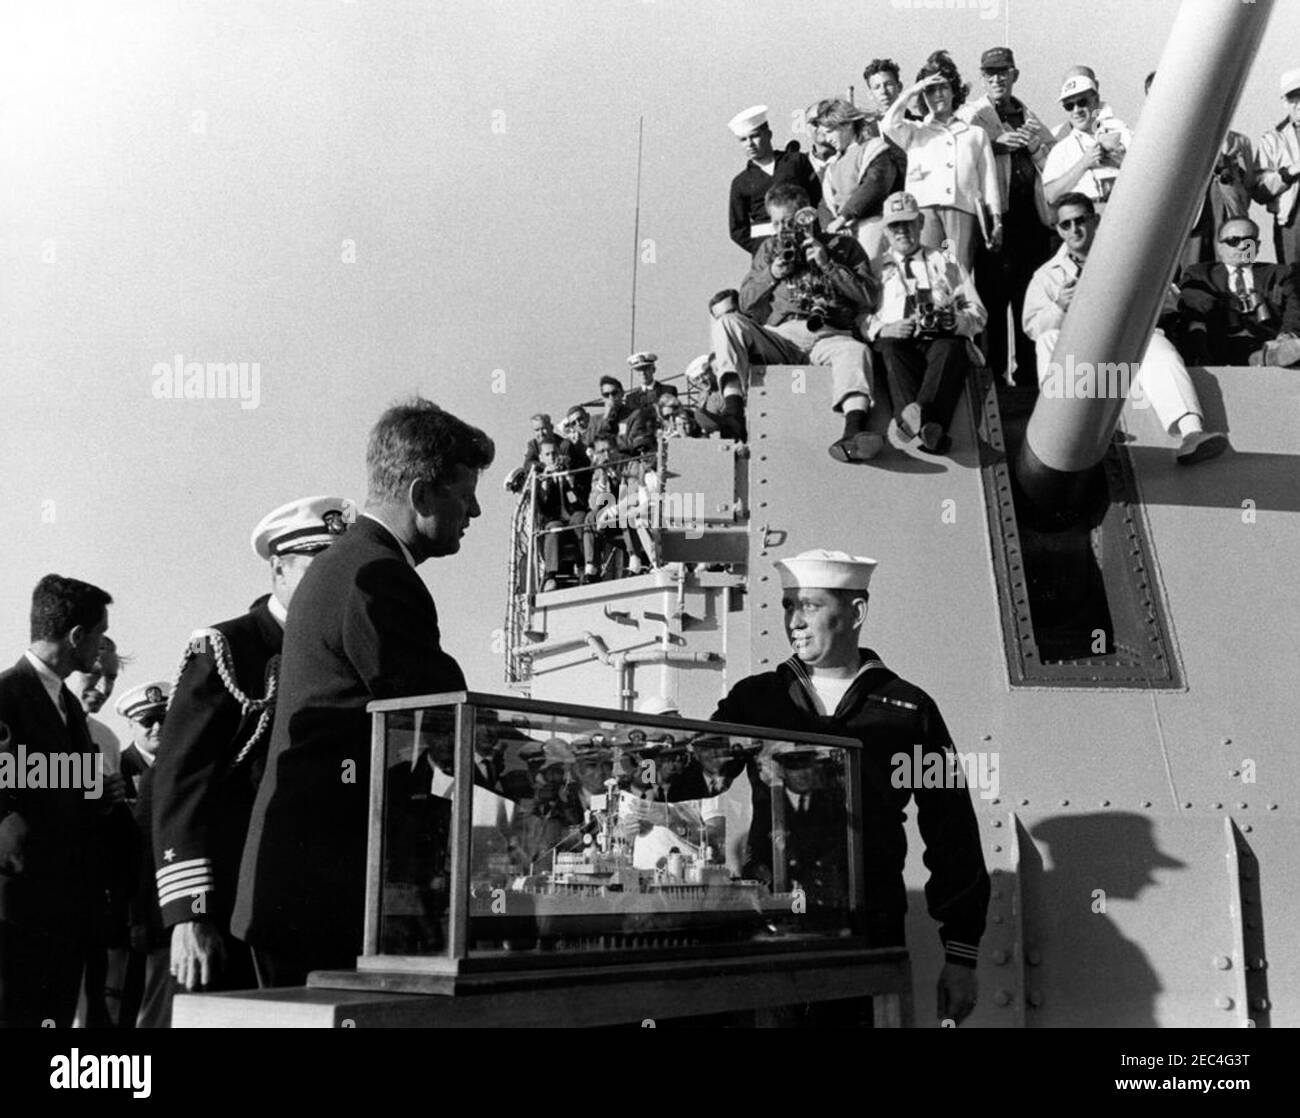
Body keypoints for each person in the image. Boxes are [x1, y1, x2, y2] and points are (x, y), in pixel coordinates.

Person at [233, 400, 493, 986]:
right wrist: (556, 773)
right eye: (465, 493)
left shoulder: (345, 564)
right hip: (327, 890)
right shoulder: (376, 574)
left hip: (303, 884)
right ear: (423, 494)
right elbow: (440, 713)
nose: (474, 510)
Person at [711, 549, 989, 1025]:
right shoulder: (756, 700)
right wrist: (635, 767)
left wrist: (961, 956)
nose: (794, 620)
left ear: (857, 612)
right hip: (772, 927)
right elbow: (701, 770)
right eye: (787, 605)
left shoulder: (906, 708)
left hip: (868, 933)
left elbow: (951, 828)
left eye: (810, 606)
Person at [154, 495, 353, 997]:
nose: (334, 582)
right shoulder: (228, 647)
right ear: (278, 569)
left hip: (322, 904)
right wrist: (188, 914)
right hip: (235, 903)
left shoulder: (351, 648)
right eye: (319, 564)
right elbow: (181, 783)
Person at [0, 574, 124, 1028]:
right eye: (99, 633)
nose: (102, 645)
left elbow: (61, 789)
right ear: (76, 636)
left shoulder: (68, 707)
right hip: (20, 913)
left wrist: (100, 796)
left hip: (67, 912)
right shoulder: (7, 695)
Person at [1023, 193, 1228, 465]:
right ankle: (1061, 428)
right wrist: (1059, 306)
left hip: (1125, 342)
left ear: (1095, 220)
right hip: (1079, 353)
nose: (1074, 230)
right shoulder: (1048, 275)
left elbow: (1171, 303)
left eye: (1080, 220)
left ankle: (1192, 433)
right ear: (1058, 230)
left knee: (1157, 347)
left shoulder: (1130, 257)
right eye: (1065, 224)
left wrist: (1135, 290)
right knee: (1048, 339)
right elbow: (1034, 327)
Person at [713, 182, 882, 464]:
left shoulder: (843, 246)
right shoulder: (768, 250)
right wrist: (772, 273)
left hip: (830, 335)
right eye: (776, 223)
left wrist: (829, 266)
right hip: (782, 335)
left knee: (856, 353)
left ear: (807, 216)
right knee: (727, 324)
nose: (782, 230)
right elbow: (745, 303)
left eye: (789, 222)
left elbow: (868, 295)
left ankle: (854, 431)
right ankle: (732, 412)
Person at [959, 47, 1056, 387]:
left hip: (1030, 222)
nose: (996, 79)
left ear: (1014, 75)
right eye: (989, 74)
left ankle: (1029, 378)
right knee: (992, 302)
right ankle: (994, 379)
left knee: (1029, 301)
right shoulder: (973, 114)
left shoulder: (1030, 116)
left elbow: (1053, 158)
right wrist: (994, 144)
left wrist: (1032, 146)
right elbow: (957, 147)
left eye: (1002, 73)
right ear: (982, 77)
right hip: (995, 220)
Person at [865, 191, 987, 456]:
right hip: (896, 342)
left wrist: (956, 321)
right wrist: (883, 328)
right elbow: (857, 315)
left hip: (937, 341)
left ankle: (910, 421)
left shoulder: (946, 262)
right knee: (889, 348)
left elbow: (977, 312)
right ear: (885, 231)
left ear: (920, 222)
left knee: (951, 348)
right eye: (895, 226)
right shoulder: (874, 269)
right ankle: (931, 427)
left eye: (907, 223)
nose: (902, 231)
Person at [882, 51, 1002, 273]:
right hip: (924, 215)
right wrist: (913, 90)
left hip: (960, 212)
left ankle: (958, 308)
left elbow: (988, 182)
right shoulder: (914, 131)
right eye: (931, 90)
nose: (938, 95)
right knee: (926, 271)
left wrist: (996, 220)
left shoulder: (975, 133)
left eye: (943, 87)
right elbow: (888, 125)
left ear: (953, 90)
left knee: (954, 271)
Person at [1142, 71, 1255, 268]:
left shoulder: (1239, 141)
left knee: (1238, 277)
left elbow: (1249, 188)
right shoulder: (1150, 143)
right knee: (1195, 280)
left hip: (1231, 219)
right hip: (1188, 223)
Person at [113, 681, 171, 1027]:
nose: (158, 727)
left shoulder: (182, 767)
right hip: (128, 908)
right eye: (148, 720)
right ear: (131, 725)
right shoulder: (115, 770)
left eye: (163, 717)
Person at [1176, 217, 1300, 366]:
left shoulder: (1279, 273)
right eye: (1233, 241)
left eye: (1249, 241)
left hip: (1269, 341)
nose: (1242, 247)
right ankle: (1262, 358)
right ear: (1219, 247)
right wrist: (1230, 303)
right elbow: (1195, 302)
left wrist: (1287, 336)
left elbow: (1295, 307)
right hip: (1219, 342)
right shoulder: (1200, 274)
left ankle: (1270, 356)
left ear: (1257, 246)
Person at [817, 99, 908, 260]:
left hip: (872, 224)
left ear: (847, 125)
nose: (826, 139)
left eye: (830, 131)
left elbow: (875, 185)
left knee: (870, 268)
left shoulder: (875, 149)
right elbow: (825, 203)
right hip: (842, 232)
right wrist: (829, 225)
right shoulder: (832, 165)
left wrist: (844, 217)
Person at [727, 105, 822, 255]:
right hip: (768, 252)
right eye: (743, 140)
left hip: (807, 242)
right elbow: (738, 229)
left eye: (755, 136)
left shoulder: (796, 162)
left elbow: (817, 196)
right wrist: (761, 250)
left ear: (768, 134)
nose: (750, 144)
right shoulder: (741, 182)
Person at [1042, 70, 1132, 213]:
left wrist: (1122, 161)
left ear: (1095, 100)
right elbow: (1050, 196)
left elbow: (1151, 175)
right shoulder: (1061, 149)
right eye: (1069, 106)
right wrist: (1084, 164)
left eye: (1082, 102)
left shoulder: (1123, 133)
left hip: (1124, 212)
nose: (1076, 110)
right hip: (1085, 220)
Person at [1254, 67, 1300, 265]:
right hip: (1292, 222)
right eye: (1293, 98)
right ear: (1284, 102)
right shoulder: (1272, 140)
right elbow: (1259, 191)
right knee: (1293, 284)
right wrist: (1290, 171)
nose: (1299, 105)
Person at [535, 437, 589, 592]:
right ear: (541, 458)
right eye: (547, 455)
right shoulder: (540, 480)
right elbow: (544, 509)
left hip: (572, 518)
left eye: (554, 453)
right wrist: (545, 482)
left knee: (580, 517)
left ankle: (583, 566)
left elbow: (580, 503)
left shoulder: (571, 473)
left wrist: (570, 482)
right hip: (555, 520)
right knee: (553, 529)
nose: (551, 458)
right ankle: (550, 575)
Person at [504, 413, 587, 494]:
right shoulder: (533, 445)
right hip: (545, 489)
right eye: (537, 430)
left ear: (551, 427)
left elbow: (572, 465)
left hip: (567, 488)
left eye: (543, 428)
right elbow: (527, 464)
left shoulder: (565, 444)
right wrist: (546, 467)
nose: (541, 433)